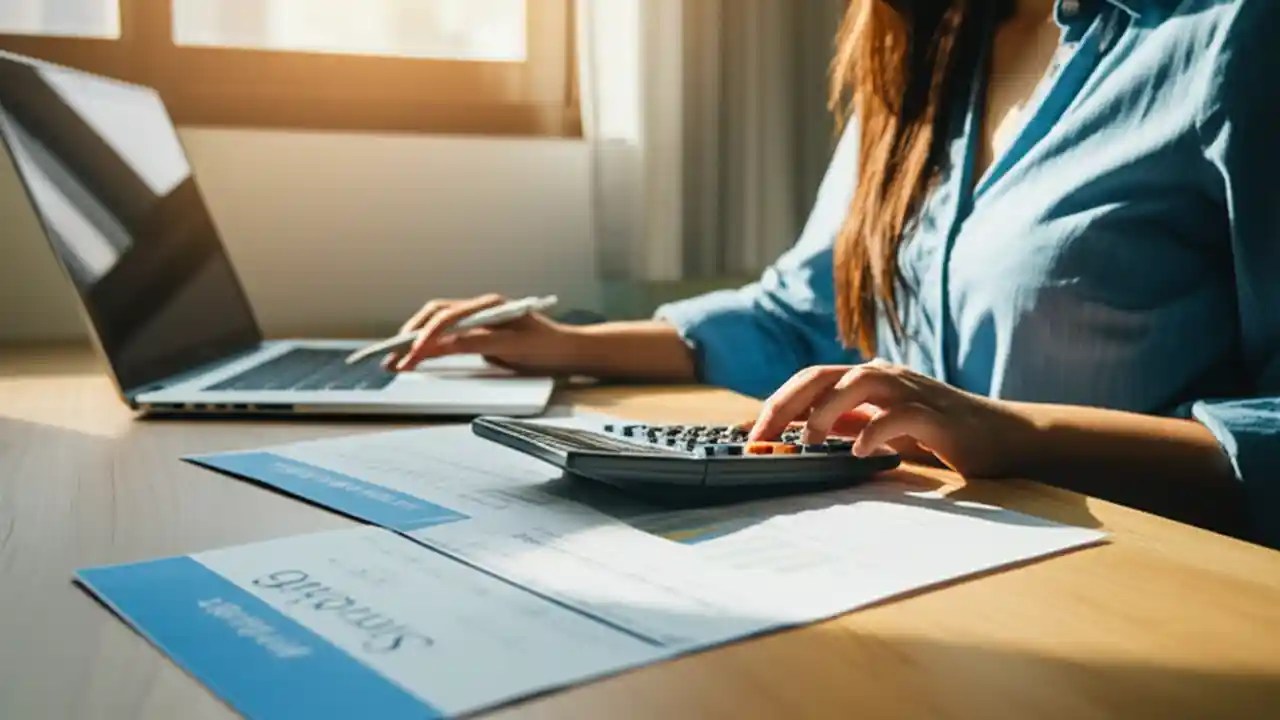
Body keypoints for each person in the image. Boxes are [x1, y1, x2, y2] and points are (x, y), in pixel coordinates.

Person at [388, 0, 1279, 548]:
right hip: (912, 556)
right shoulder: (930, 44)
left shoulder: (1235, 35)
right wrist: (568, 343)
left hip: (1143, 575)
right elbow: (801, 314)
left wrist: (1015, 432)